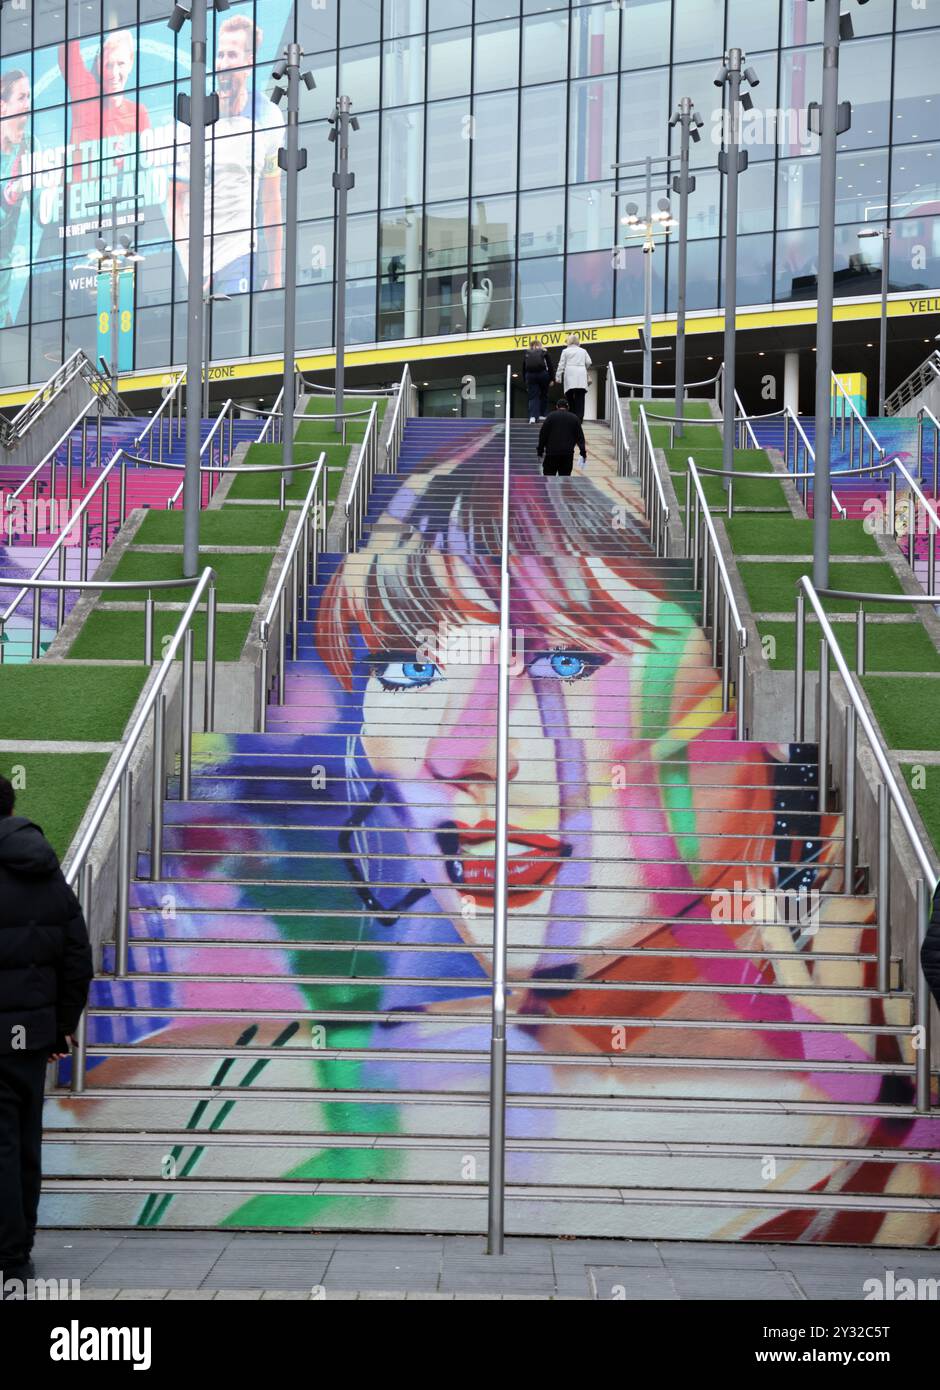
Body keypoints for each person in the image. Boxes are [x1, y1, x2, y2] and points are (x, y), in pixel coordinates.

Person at [0, 776, 92, 1286]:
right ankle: (19, 1248)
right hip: (30, 1035)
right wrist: (60, 1026)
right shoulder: (45, 870)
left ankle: (10, 1253)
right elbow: (78, 955)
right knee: (25, 1141)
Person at [172, 13, 284, 294]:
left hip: (239, 254)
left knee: (234, 330)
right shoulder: (193, 118)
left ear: (249, 61)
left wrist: (276, 272)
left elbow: (271, 199)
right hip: (197, 259)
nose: (223, 63)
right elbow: (175, 199)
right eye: (220, 54)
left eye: (231, 55)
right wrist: (192, 266)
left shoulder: (268, 116)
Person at [58, 32, 151, 180]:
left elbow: (144, 169)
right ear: (99, 66)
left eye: (120, 64)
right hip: (79, 198)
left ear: (131, 62)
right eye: (108, 65)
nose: (114, 73)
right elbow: (68, 54)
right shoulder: (86, 94)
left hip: (119, 198)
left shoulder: (138, 113)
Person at [536, 398, 586, 477]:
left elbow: (543, 435)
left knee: (549, 479)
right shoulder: (574, 418)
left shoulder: (550, 417)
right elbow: (580, 437)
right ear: (568, 407)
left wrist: (540, 451)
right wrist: (583, 452)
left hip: (551, 454)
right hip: (567, 454)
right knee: (565, 481)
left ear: (556, 407)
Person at [555, 331, 592, 421]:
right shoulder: (583, 351)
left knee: (570, 395)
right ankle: (580, 417)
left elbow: (561, 365)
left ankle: (572, 416)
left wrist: (558, 376)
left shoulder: (565, 351)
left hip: (570, 373)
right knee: (580, 396)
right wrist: (583, 367)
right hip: (581, 374)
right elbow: (589, 362)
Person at [522, 336, 554, 424]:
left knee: (533, 397)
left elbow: (524, 368)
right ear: (539, 345)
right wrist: (552, 378)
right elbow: (550, 366)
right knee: (544, 395)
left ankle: (532, 416)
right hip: (543, 375)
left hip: (530, 376)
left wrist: (525, 380)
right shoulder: (544, 352)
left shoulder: (527, 353)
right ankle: (542, 415)